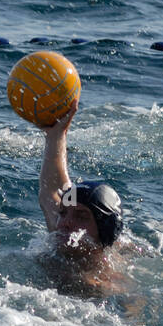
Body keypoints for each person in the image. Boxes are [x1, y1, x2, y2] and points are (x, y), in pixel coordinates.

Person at [36, 101, 127, 293]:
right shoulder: (64, 236)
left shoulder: (105, 284)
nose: (64, 223)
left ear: (105, 230)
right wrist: (56, 135)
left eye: (81, 216)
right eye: (63, 212)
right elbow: (50, 189)